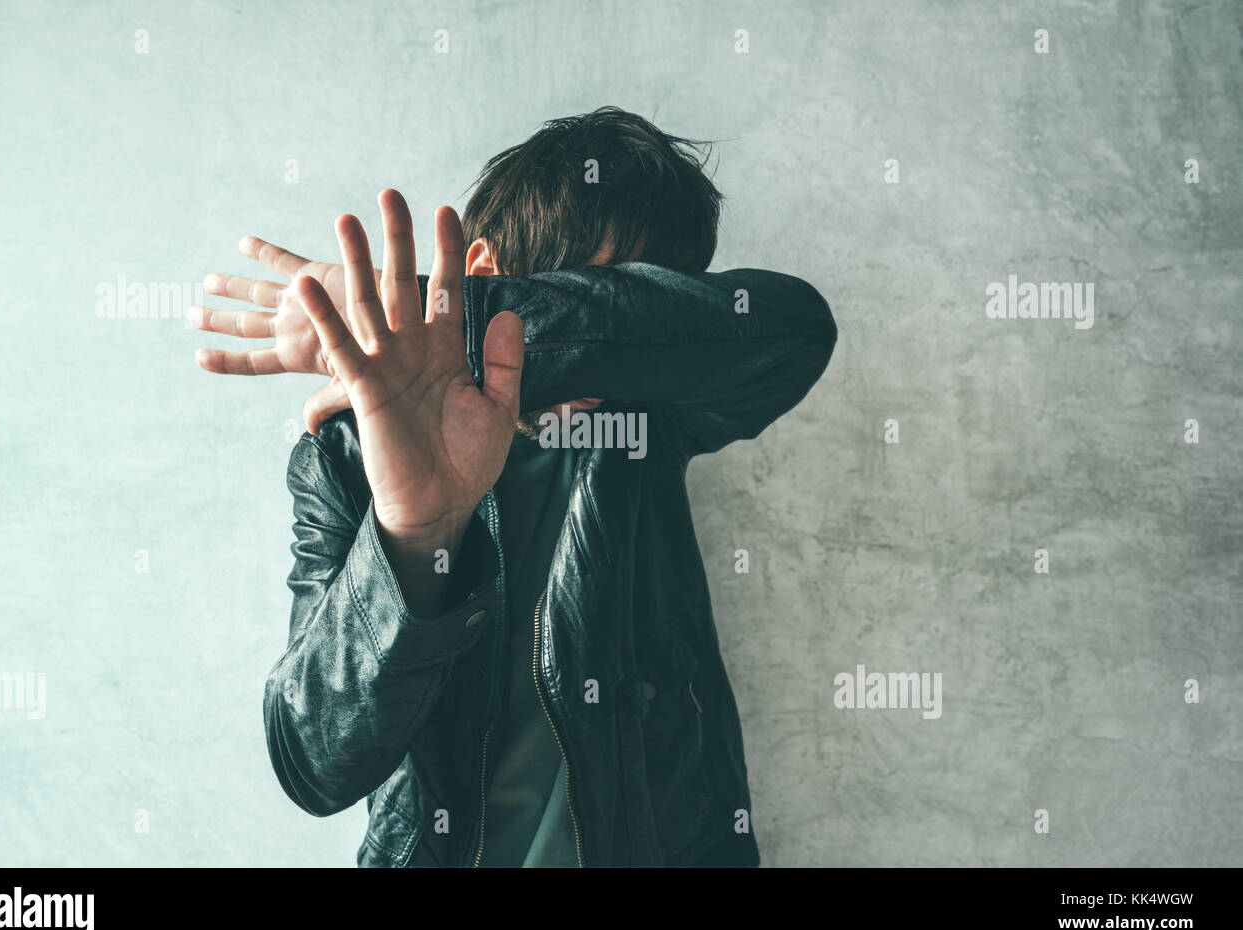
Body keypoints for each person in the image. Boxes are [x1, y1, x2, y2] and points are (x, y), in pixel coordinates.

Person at [192, 107, 837, 866]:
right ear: (493, 272)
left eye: (646, 304)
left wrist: (462, 318)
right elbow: (313, 760)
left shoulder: (648, 425)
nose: (617, 353)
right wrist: (411, 533)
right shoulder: (343, 455)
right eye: (605, 289)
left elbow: (797, 330)